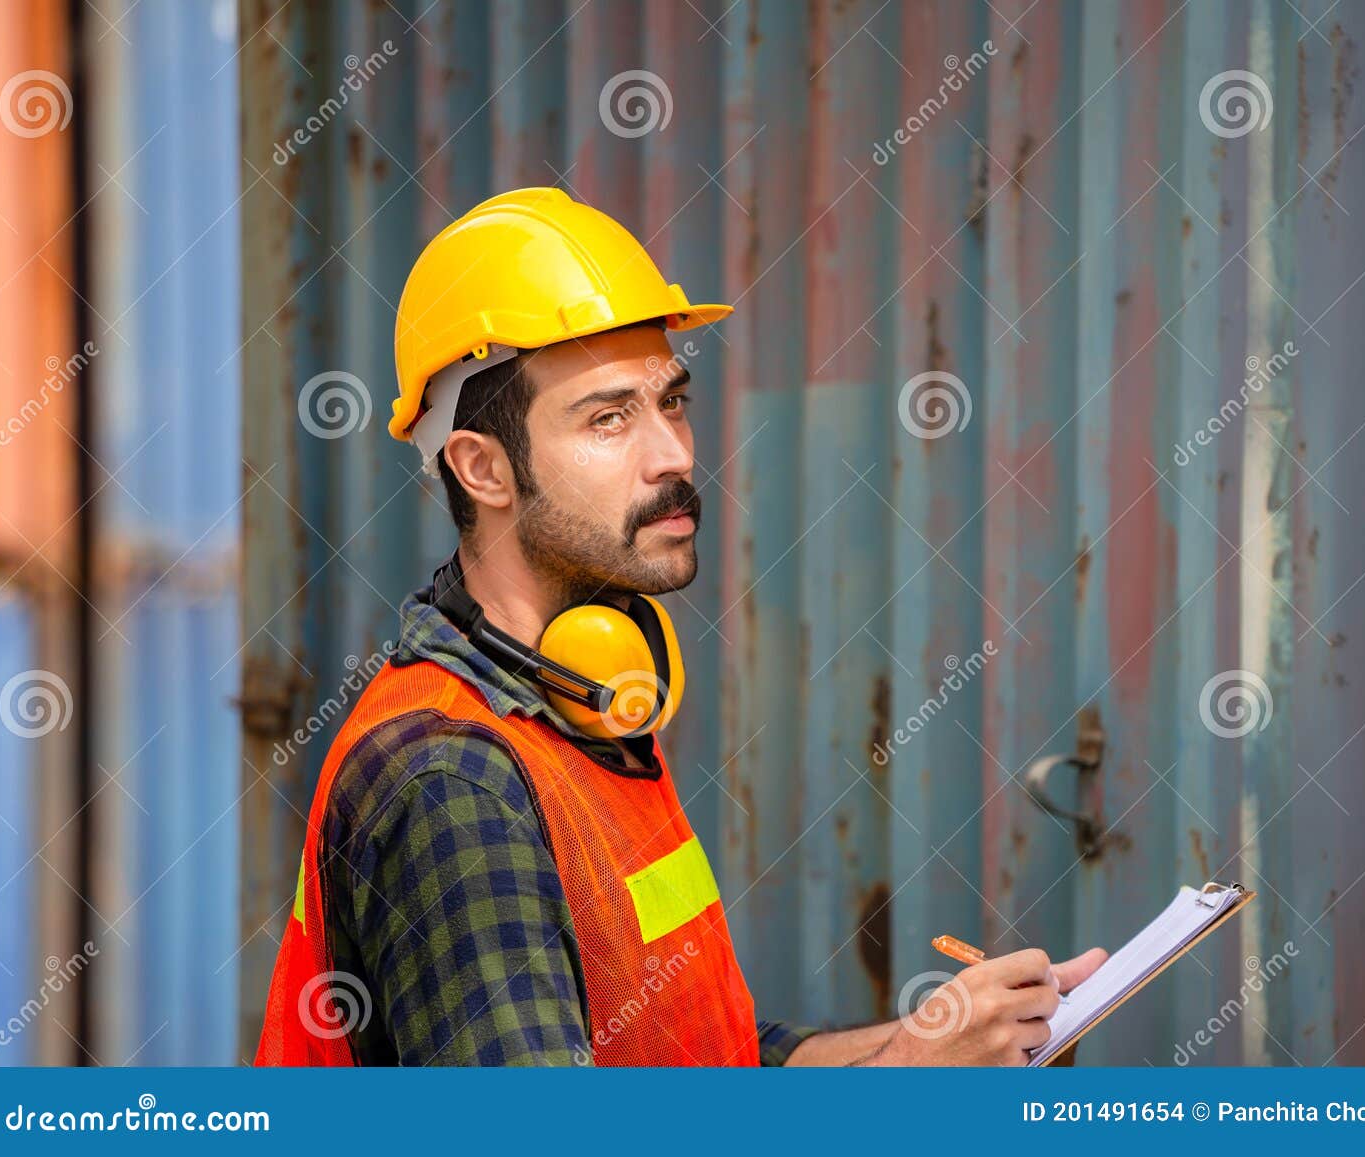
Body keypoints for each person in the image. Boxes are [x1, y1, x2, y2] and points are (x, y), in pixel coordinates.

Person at [255, 187, 1106, 1066]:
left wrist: (946, 1040)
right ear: (484, 469)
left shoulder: (582, 708)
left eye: (672, 402)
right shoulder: (449, 780)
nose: (675, 454)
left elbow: (697, 1049)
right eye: (609, 417)